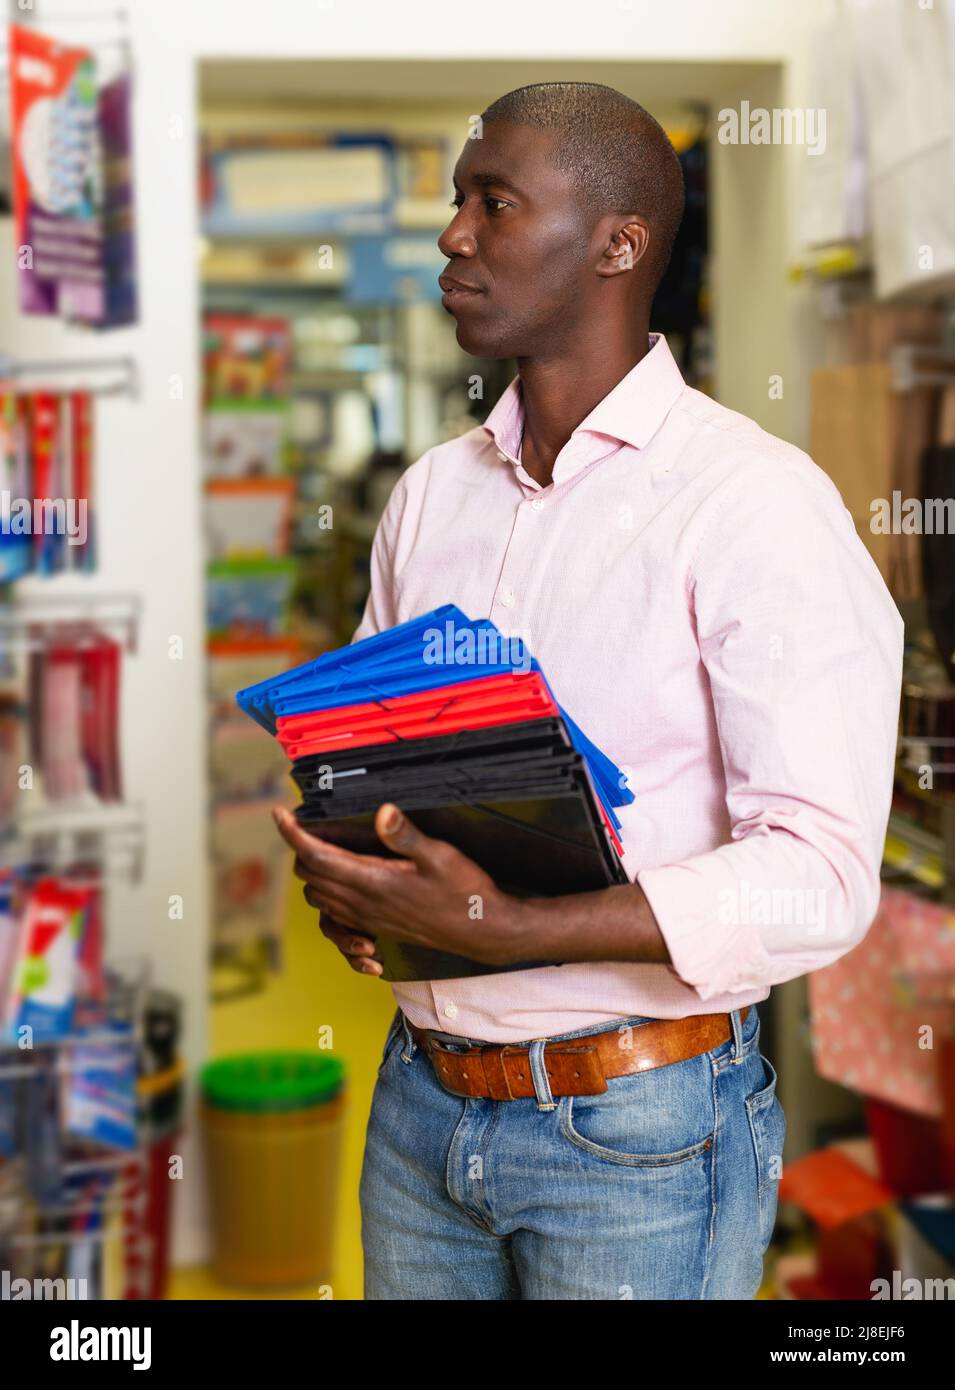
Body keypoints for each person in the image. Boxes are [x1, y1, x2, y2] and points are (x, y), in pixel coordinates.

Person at [273, 82, 904, 1300]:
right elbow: (367, 759)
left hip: (638, 1131)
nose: (453, 235)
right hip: (422, 1103)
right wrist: (363, 878)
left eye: (493, 204)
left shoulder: (752, 504)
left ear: (618, 245)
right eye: (458, 201)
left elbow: (822, 874)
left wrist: (511, 930)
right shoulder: (430, 497)